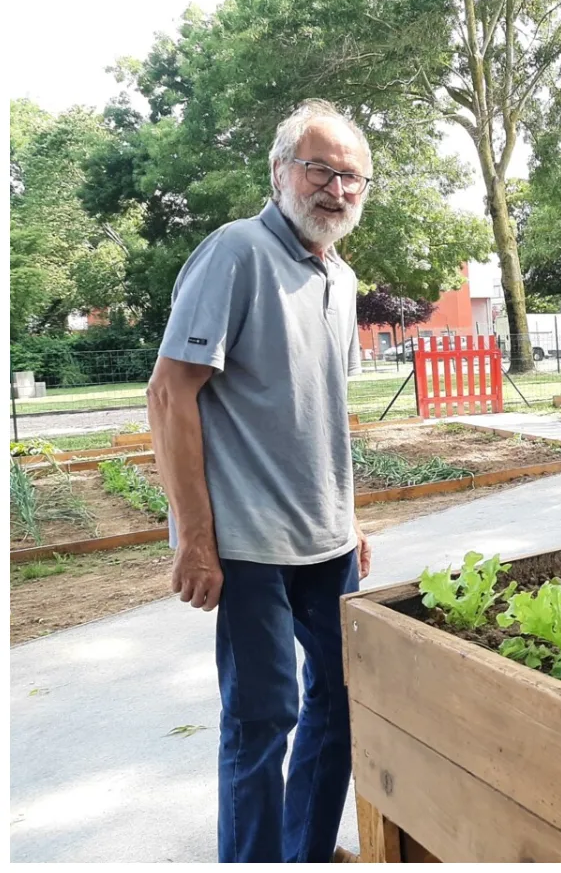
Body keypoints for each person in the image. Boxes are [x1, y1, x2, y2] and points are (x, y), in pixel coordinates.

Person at [147, 99, 375, 863]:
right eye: (321, 170)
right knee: (262, 719)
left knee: (343, 705)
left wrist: (352, 516)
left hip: (326, 543)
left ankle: (304, 851)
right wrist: (195, 540)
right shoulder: (235, 252)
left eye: (352, 177)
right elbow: (170, 392)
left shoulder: (338, 276)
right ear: (280, 172)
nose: (337, 189)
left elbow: (320, 412)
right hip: (246, 547)